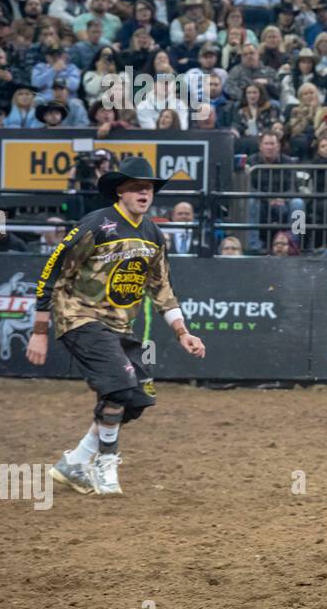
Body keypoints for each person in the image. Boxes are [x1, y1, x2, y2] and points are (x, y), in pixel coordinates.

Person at [26, 157, 207, 496]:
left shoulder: (153, 233)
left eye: (149, 187)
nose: (144, 191)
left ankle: (75, 462)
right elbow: (52, 270)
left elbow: (161, 287)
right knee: (121, 388)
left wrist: (183, 332)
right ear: (120, 191)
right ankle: (106, 466)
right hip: (80, 318)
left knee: (136, 399)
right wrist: (39, 330)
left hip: (120, 326)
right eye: (136, 186)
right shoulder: (96, 225)